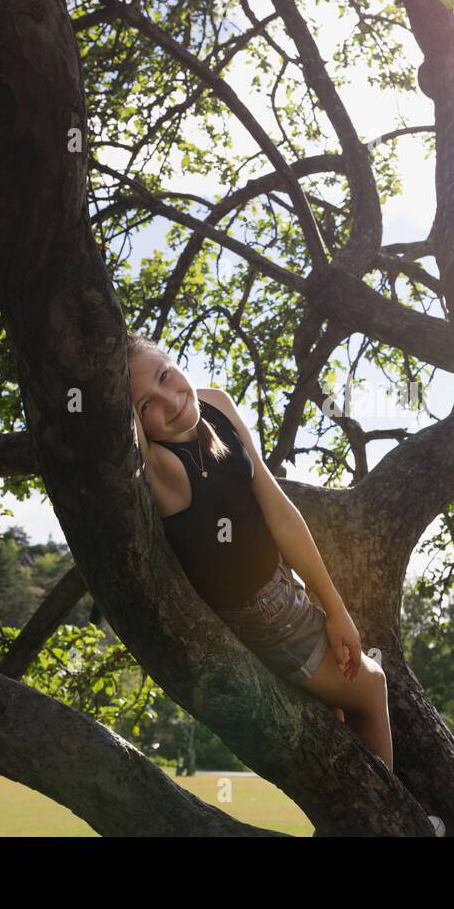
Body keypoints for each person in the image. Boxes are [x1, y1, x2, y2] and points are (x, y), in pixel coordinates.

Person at [126, 331, 396, 777]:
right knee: (371, 686)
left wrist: (335, 607)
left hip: (285, 588)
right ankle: (389, 823)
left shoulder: (216, 403)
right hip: (260, 614)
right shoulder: (159, 465)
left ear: (176, 361)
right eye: (145, 405)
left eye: (166, 375)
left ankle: (358, 818)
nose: (171, 401)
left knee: (339, 722)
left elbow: (277, 509)